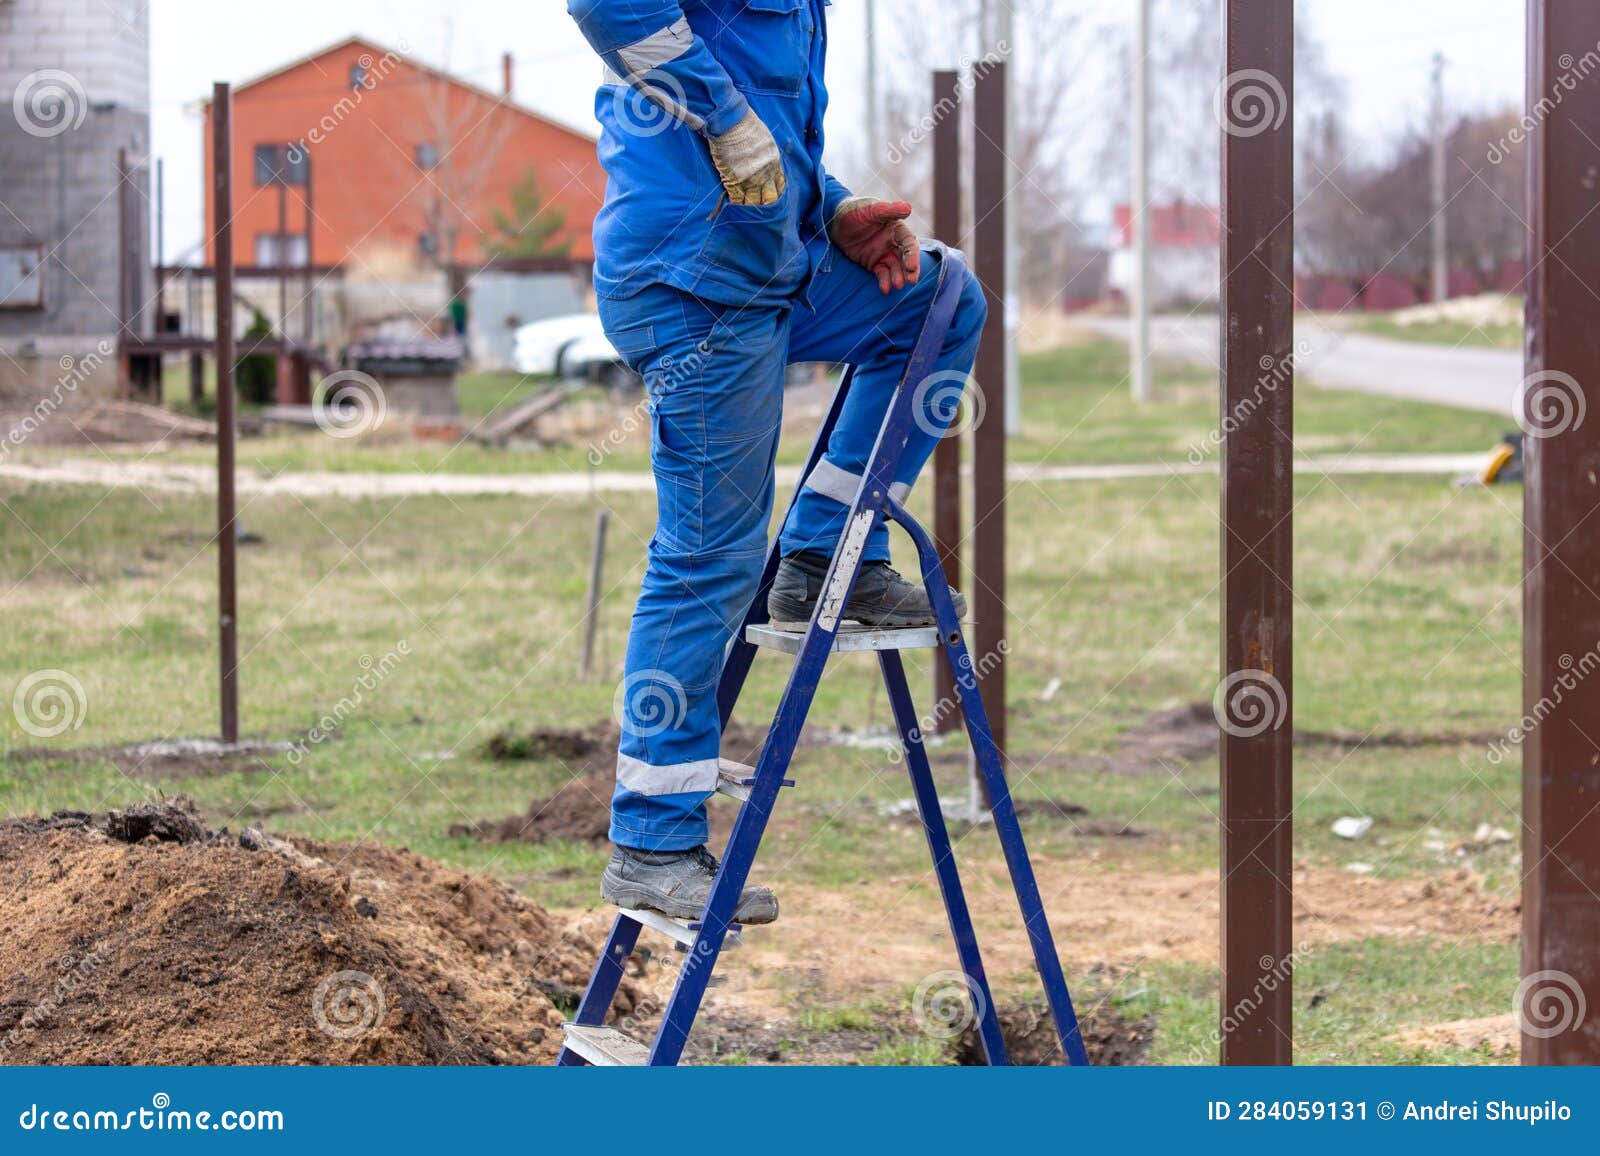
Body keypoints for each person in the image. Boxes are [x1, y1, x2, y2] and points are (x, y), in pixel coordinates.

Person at [568, 0, 985, 926]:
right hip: (693, 280)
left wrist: (832, 211)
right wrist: (719, 116)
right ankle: (653, 840)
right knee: (710, 553)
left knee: (940, 302)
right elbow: (606, 7)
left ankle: (825, 555)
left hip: (772, 260)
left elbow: (769, 133)